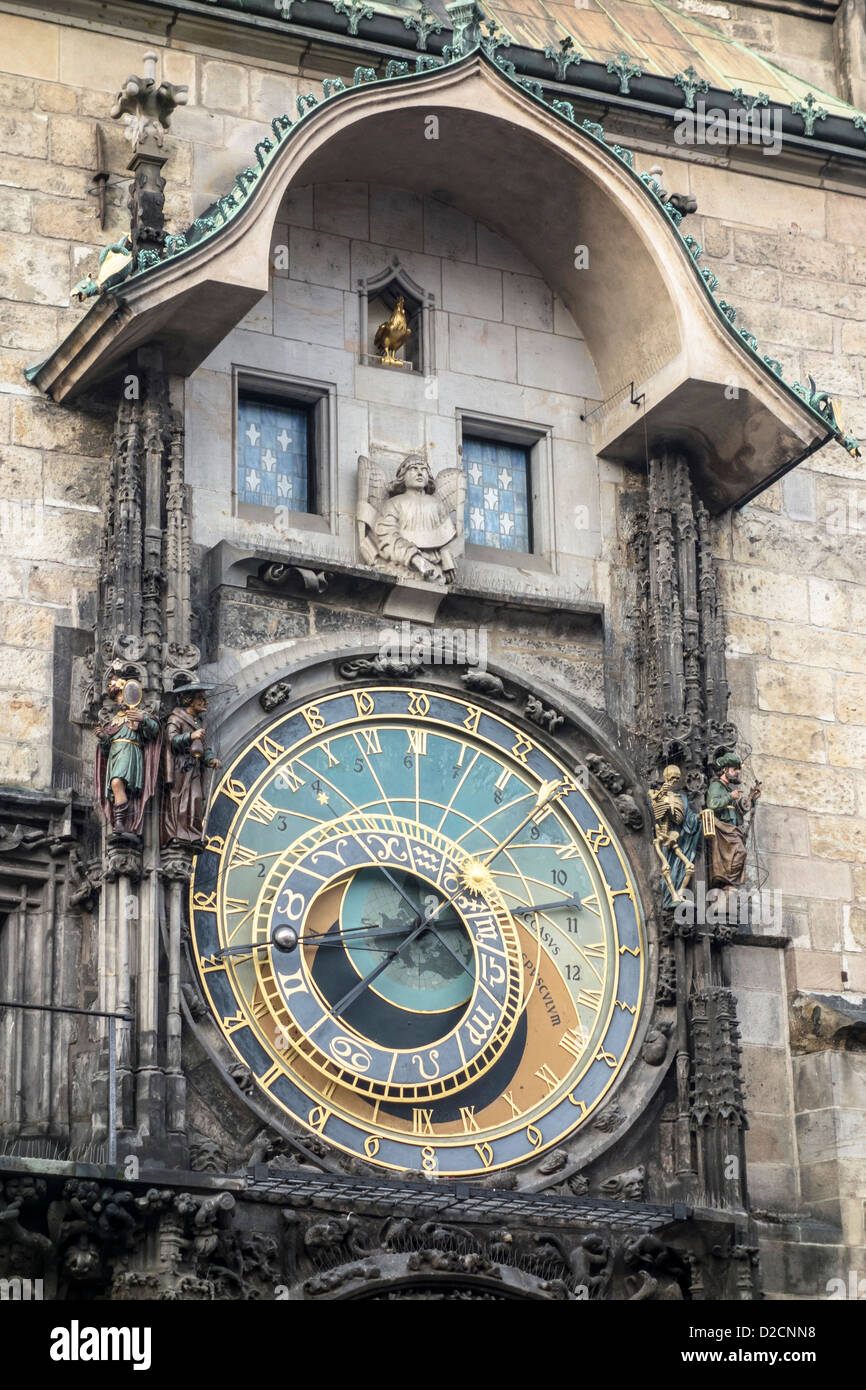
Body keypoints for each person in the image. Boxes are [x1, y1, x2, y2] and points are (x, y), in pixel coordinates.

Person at [374, 455, 458, 584]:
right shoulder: (394, 503)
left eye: (424, 469)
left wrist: (447, 561)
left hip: (435, 567)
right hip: (404, 564)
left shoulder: (437, 505)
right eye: (413, 468)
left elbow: (447, 538)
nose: (419, 472)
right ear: (403, 475)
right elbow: (387, 537)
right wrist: (415, 559)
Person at [94, 677, 161, 837]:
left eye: (122, 694)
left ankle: (120, 821)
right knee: (116, 786)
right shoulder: (114, 721)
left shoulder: (139, 714)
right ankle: (120, 822)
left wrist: (143, 719)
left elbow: (153, 731)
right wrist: (103, 737)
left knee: (117, 782)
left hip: (130, 751)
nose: (120, 699)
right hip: (115, 755)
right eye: (117, 696)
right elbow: (105, 749)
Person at [161, 685, 222, 847]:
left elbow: (203, 747)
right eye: (201, 698)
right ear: (189, 700)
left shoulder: (198, 722)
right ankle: (178, 832)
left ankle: (193, 833)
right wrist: (190, 736)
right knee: (180, 799)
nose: (205, 702)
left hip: (194, 767)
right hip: (180, 767)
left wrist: (210, 759)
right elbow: (171, 740)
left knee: (195, 798)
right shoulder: (176, 718)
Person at [705, 751, 761, 889]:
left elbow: (737, 812)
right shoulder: (717, 786)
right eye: (734, 769)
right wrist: (730, 796)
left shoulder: (727, 789)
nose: (737, 772)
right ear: (725, 770)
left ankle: (728, 881)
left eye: (738, 769)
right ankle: (725, 880)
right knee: (740, 852)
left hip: (731, 829)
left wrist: (751, 798)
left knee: (739, 852)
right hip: (722, 829)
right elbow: (712, 804)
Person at [649, 765, 700, 906]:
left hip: (674, 835)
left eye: (677, 778)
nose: (674, 781)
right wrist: (662, 792)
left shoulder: (680, 797)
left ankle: (679, 894)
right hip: (661, 837)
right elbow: (653, 804)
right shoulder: (654, 792)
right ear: (665, 777)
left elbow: (685, 818)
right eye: (672, 777)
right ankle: (672, 896)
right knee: (666, 868)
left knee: (689, 866)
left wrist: (698, 817)